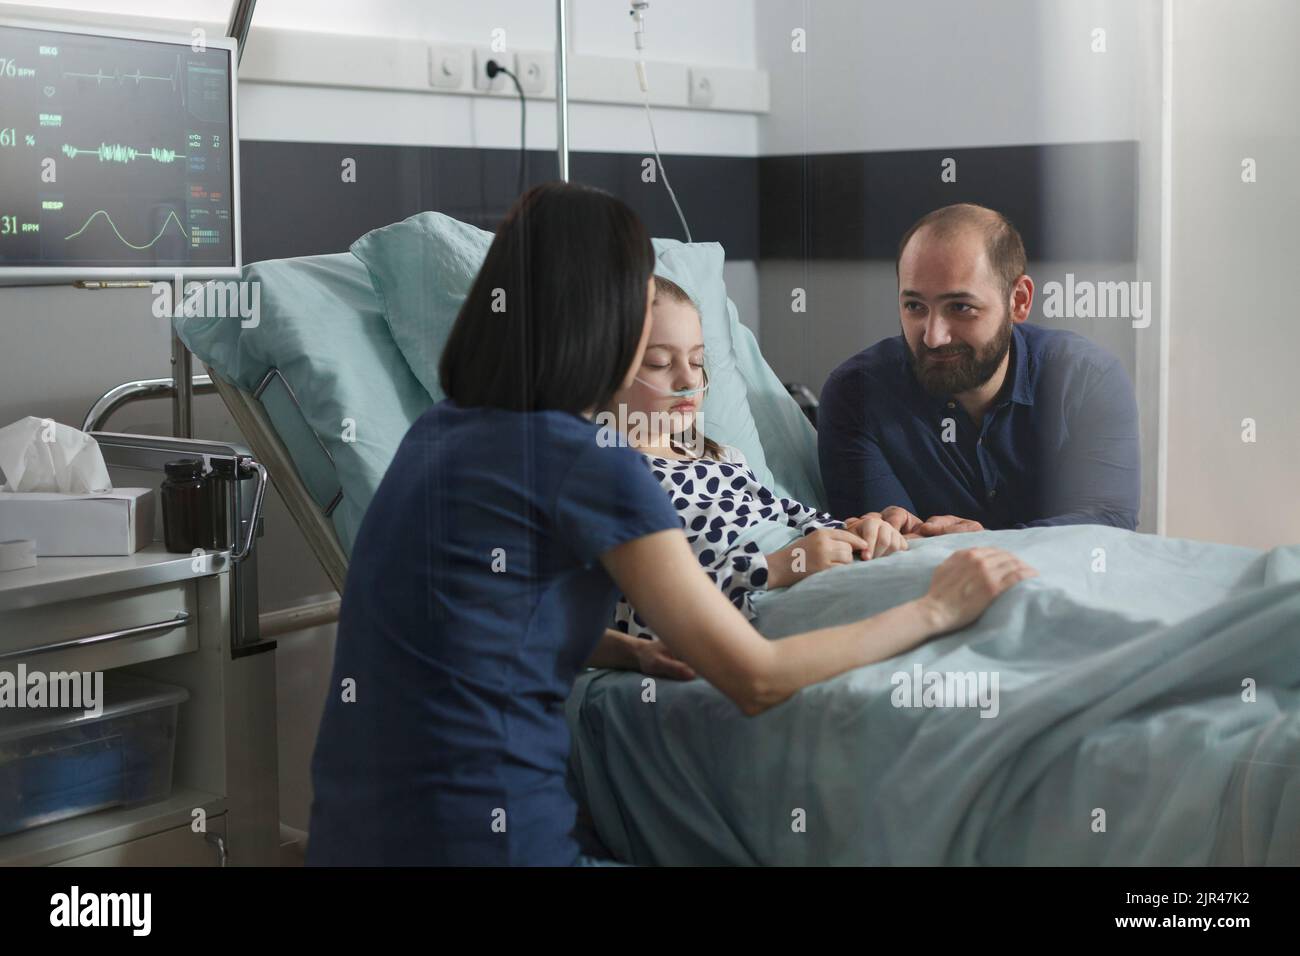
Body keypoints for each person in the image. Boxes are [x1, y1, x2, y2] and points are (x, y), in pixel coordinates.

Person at [307, 182, 1036, 867]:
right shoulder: (593, 463)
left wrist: (621, 650)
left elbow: (471, 614)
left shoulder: (439, 433)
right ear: (608, 323)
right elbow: (756, 679)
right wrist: (937, 608)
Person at [605, 274, 905, 642]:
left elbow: (790, 513)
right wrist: (773, 568)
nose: (688, 380)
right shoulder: (610, 481)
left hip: (821, 566)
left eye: (697, 361)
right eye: (659, 363)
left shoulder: (722, 457)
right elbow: (643, 618)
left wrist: (857, 530)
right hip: (760, 601)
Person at [818, 203, 1140, 537]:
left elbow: (1108, 523)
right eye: (914, 306)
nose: (933, 337)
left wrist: (987, 543)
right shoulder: (856, 394)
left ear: (1019, 301)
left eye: (961, 307)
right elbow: (886, 544)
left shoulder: (1088, 380)